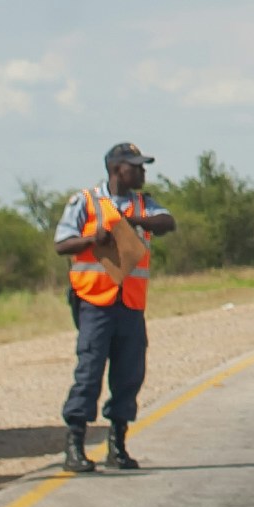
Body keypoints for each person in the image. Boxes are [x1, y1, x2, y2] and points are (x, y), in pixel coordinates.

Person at [55, 143, 170, 475]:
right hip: (95, 302)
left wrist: (133, 219)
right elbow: (62, 243)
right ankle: (75, 445)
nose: (143, 172)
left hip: (131, 304)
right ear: (119, 169)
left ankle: (117, 445)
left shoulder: (142, 203)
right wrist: (95, 237)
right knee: (89, 372)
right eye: (137, 166)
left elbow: (167, 222)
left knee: (129, 375)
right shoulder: (86, 202)